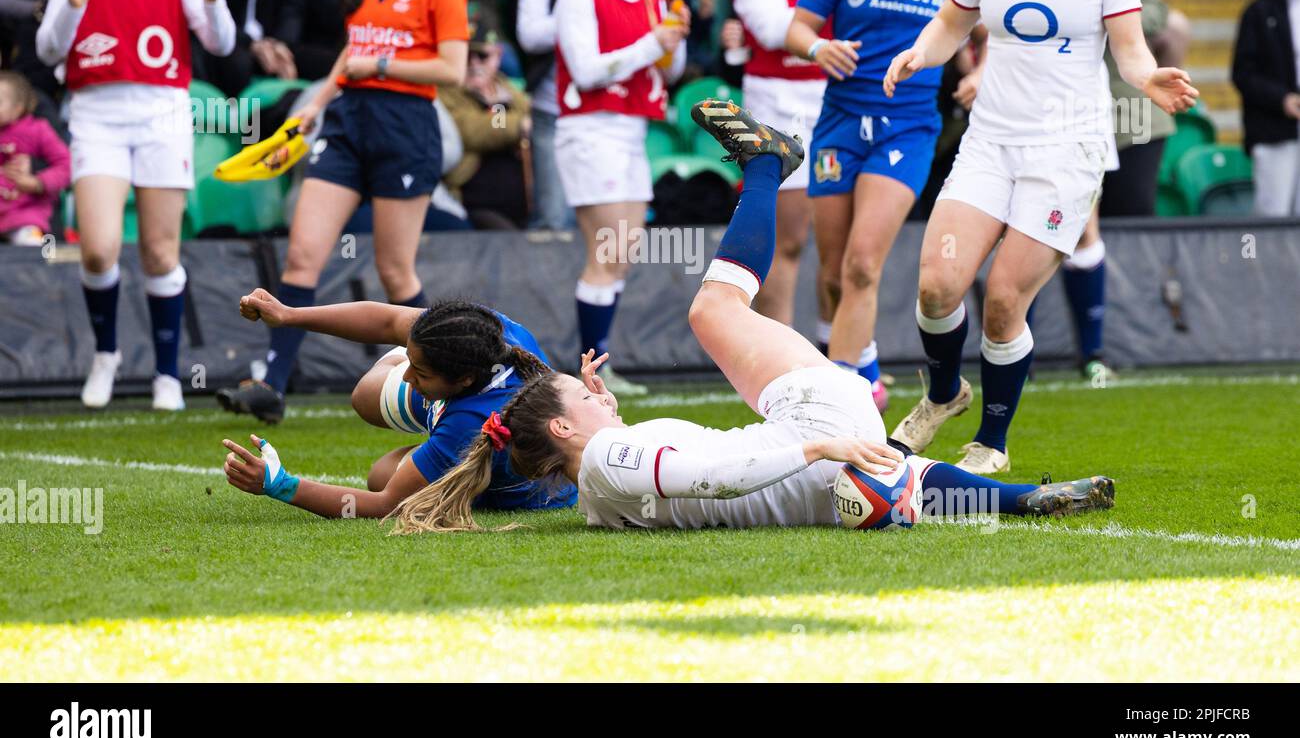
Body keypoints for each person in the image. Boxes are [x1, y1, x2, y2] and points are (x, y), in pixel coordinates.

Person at [385, 98, 1115, 533]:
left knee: (906, 480)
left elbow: (658, 470)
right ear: (565, 429)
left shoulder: (595, 492)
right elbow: (719, 475)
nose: (597, 393)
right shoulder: (612, 458)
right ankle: (766, 164)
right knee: (713, 307)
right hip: (816, 436)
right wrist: (817, 448)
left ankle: (1022, 499)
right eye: (585, 398)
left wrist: (590, 400)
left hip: (832, 490)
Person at [881, 0, 1197, 474]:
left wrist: (1149, 79)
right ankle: (943, 396)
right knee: (938, 286)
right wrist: (921, 54)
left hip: (1066, 149)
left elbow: (1132, 50)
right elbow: (951, 24)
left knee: (1002, 302)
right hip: (991, 140)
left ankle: (991, 442)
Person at [215, 0, 469, 424]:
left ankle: (444, 380)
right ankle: (271, 386)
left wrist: (380, 67)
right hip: (348, 119)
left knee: (396, 272)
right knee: (304, 251)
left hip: (405, 125)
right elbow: (353, 50)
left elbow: (453, 68)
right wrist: (316, 102)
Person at [35, 0, 236, 410]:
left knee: (158, 250)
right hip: (96, 112)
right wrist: (72, 8)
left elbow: (219, 43)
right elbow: (48, 50)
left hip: (162, 112)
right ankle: (107, 354)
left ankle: (168, 374)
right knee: (99, 251)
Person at [785, 0, 957, 412]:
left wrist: (980, 74)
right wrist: (818, 48)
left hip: (906, 127)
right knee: (833, 273)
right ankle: (868, 369)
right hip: (839, 124)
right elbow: (797, 28)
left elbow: (982, 35)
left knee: (863, 264)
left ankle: (840, 401)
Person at [222, 293, 577, 517]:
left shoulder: (468, 427)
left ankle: (447, 458)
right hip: (465, 412)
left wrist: (280, 485)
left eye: (419, 371)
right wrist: (289, 316)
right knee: (365, 397)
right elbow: (388, 320)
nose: (407, 377)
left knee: (381, 479)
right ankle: (431, 407)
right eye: (409, 362)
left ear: (463, 381)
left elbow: (387, 504)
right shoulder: (485, 331)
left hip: (499, 470)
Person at [552, 0, 686, 397]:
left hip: (631, 129)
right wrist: (654, 43)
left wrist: (673, 41)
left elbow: (666, 70)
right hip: (591, 128)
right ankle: (590, 371)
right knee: (607, 251)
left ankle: (597, 364)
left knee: (622, 253)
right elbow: (586, 70)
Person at [505, 0, 632, 230]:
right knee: (554, 217)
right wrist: (582, 15)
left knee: (609, 222)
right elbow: (529, 35)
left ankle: (598, 287)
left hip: (613, 110)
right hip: (555, 108)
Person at [729, 0, 829, 327]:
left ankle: (838, 355)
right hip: (777, 105)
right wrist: (832, 37)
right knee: (785, 240)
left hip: (834, 106)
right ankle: (782, 360)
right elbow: (770, 28)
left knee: (835, 242)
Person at [1233, 0, 1300, 216]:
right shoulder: (1258, 14)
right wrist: (1282, 99)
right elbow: (1243, 74)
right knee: (1274, 214)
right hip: (1274, 133)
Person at [440, 21, 532, 227]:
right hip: (473, 206)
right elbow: (485, 130)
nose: (474, 63)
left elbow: (524, 117)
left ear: (498, 56)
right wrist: (521, 125)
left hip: (524, 202)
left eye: (482, 56)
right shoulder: (447, 91)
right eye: (466, 56)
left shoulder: (504, 88)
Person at [0, 71, 69, 245]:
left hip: (26, 213)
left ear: (18, 107)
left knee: (32, 245)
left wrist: (38, 182)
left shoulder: (37, 130)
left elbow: (66, 165)